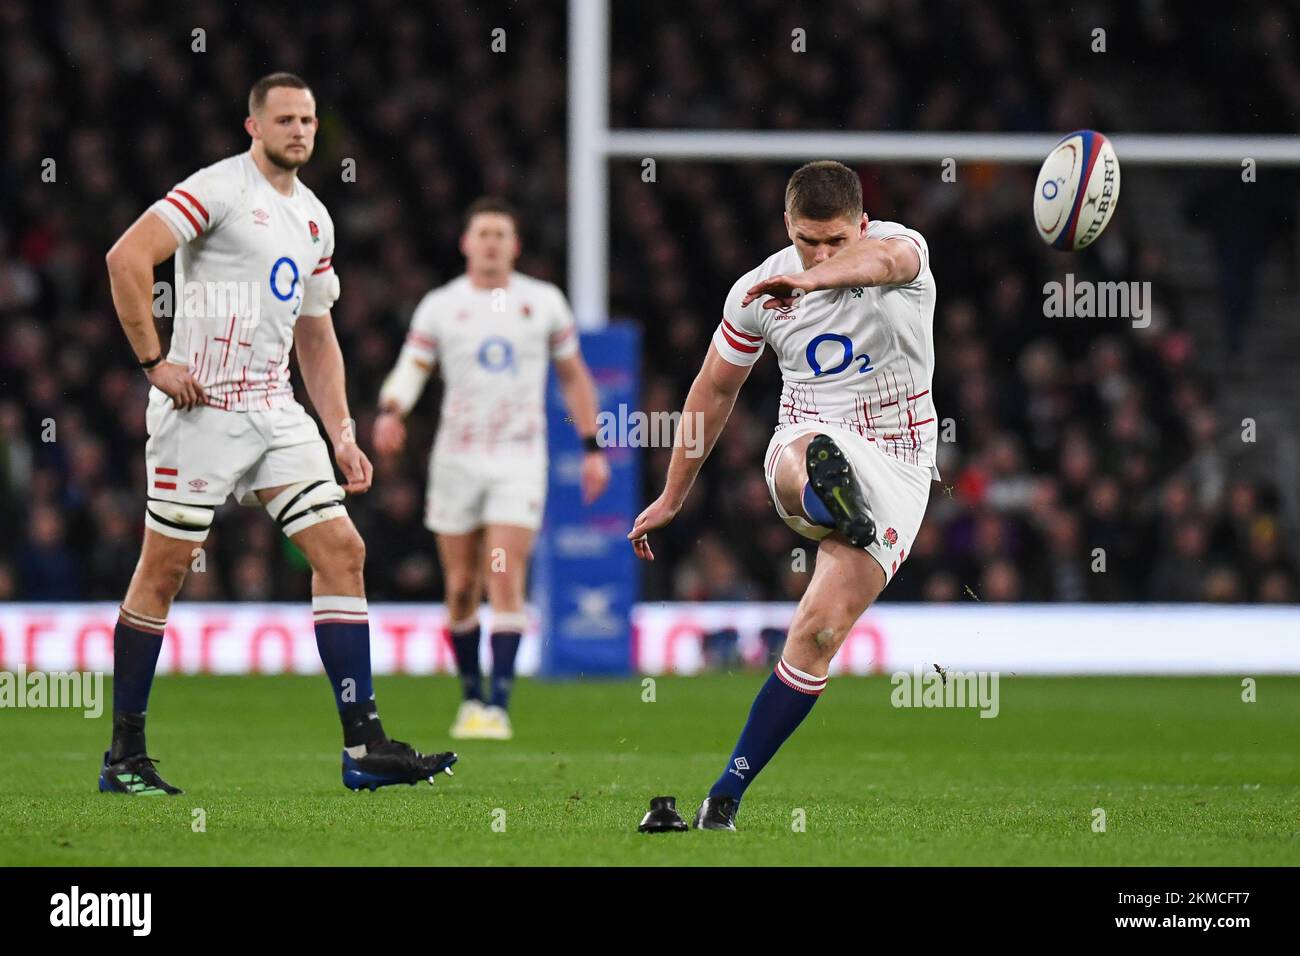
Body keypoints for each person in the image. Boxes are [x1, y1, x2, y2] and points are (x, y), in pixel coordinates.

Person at [100, 72, 457, 795]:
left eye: (309, 120)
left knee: (343, 550)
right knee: (165, 572)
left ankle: (364, 747)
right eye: (285, 119)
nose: (299, 130)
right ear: (253, 127)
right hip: (200, 406)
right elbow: (126, 258)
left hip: (272, 407)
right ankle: (125, 757)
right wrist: (153, 362)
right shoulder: (219, 189)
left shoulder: (316, 220)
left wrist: (342, 432)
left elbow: (317, 336)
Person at [629, 161, 939, 830]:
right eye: (807, 240)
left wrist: (813, 276)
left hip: (901, 462)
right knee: (800, 459)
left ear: (861, 222)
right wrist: (671, 496)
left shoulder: (903, 251)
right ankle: (828, 496)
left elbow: (882, 262)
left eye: (836, 240)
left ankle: (724, 797)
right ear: (786, 227)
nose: (821, 252)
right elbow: (714, 391)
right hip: (809, 435)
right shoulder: (756, 293)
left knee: (820, 632)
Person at [373, 197, 608, 740]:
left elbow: (574, 376)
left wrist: (592, 446)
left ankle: (497, 706)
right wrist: (391, 410)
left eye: (502, 234)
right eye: (483, 234)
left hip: (518, 460)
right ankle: (471, 698)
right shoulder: (441, 305)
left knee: (502, 574)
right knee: (459, 586)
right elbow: (412, 367)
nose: (492, 243)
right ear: (466, 243)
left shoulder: (543, 302)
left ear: (515, 245)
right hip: (456, 461)